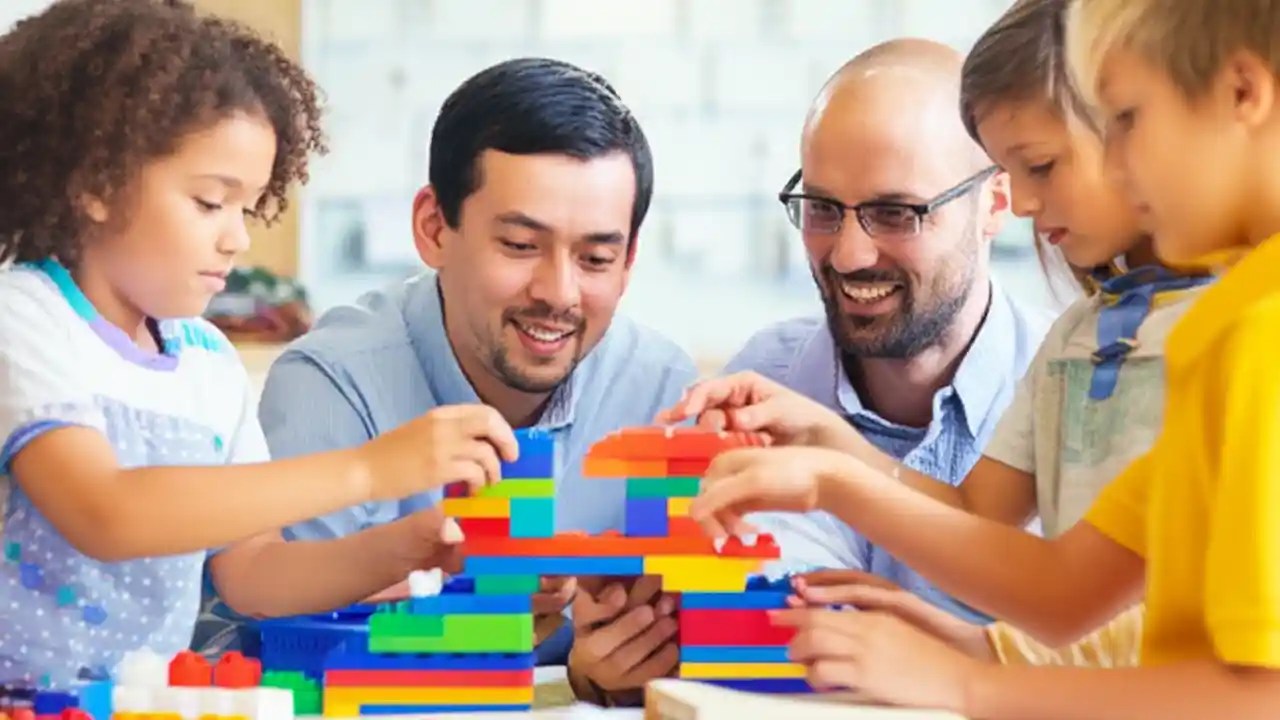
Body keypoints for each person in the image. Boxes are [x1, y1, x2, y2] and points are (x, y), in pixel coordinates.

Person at [672, 0, 1280, 714]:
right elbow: (1066, 592)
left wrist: (970, 683)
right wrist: (979, 645)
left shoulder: (1256, 339)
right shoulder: (1223, 334)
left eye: (1126, 120)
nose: (1115, 164)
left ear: (1244, 94)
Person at [0, 0, 517, 688]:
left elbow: (252, 575)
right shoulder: (25, 318)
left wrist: (404, 547)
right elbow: (107, 512)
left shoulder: (207, 364)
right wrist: (369, 470)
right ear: (96, 184)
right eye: (211, 203)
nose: (237, 239)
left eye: (249, 208)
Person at [192, 58, 699, 697]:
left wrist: (607, 675)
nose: (559, 293)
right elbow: (288, 649)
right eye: (519, 246)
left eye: (596, 258)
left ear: (628, 262)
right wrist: (474, 629)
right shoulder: (331, 385)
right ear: (434, 228)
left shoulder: (661, 394)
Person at [709, 38, 1053, 623]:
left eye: (896, 214)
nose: (848, 256)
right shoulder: (761, 380)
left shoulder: (1073, 386)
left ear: (995, 203)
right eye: (821, 208)